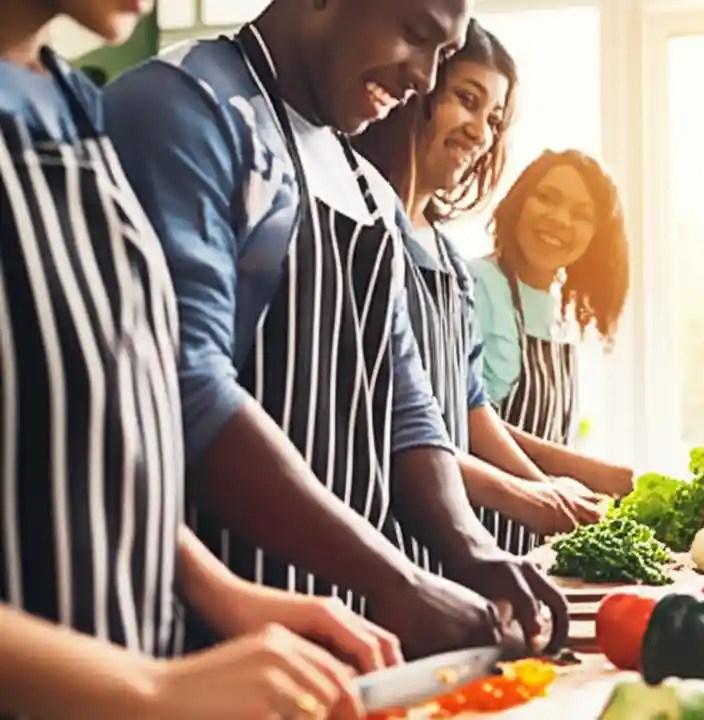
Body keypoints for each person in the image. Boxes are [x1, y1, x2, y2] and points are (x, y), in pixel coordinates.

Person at [102, 0, 567, 660]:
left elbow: (408, 411)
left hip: (349, 633)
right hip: (214, 640)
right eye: (414, 36)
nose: (423, 79)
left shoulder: (367, 191)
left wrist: (470, 549)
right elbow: (187, 391)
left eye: (443, 54)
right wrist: (395, 579)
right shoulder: (189, 108)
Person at [1, 1, 407, 718]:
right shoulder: (168, 105)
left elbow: (102, 439)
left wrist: (222, 592)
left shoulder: (74, 106)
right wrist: (149, 689)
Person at [353, 23, 624, 559]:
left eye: (493, 119)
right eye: (467, 100)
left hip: (451, 550)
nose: (480, 132)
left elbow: (472, 411)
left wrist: (548, 493)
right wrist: (531, 495)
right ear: (417, 91)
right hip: (386, 545)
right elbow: (389, 427)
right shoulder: (363, 233)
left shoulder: (449, 262)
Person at [470, 150, 633, 494]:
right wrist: (594, 474)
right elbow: (467, 423)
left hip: (545, 529)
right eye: (546, 198)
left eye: (582, 215)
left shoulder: (566, 312)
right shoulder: (475, 284)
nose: (560, 220)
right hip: (487, 522)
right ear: (518, 202)